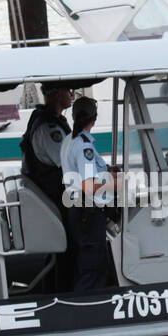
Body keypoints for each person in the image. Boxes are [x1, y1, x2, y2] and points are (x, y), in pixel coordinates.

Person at [62, 96, 119, 292]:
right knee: (93, 265)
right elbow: (89, 185)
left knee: (89, 263)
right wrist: (119, 183)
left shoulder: (71, 141)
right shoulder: (84, 146)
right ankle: (89, 307)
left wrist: (108, 172)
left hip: (79, 209)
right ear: (94, 119)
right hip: (88, 212)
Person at [20, 83, 73, 209]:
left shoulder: (50, 119)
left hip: (57, 191)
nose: (71, 95)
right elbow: (70, 164)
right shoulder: (48, 129)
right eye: (68, 90)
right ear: (59, 95)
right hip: (56, 195)